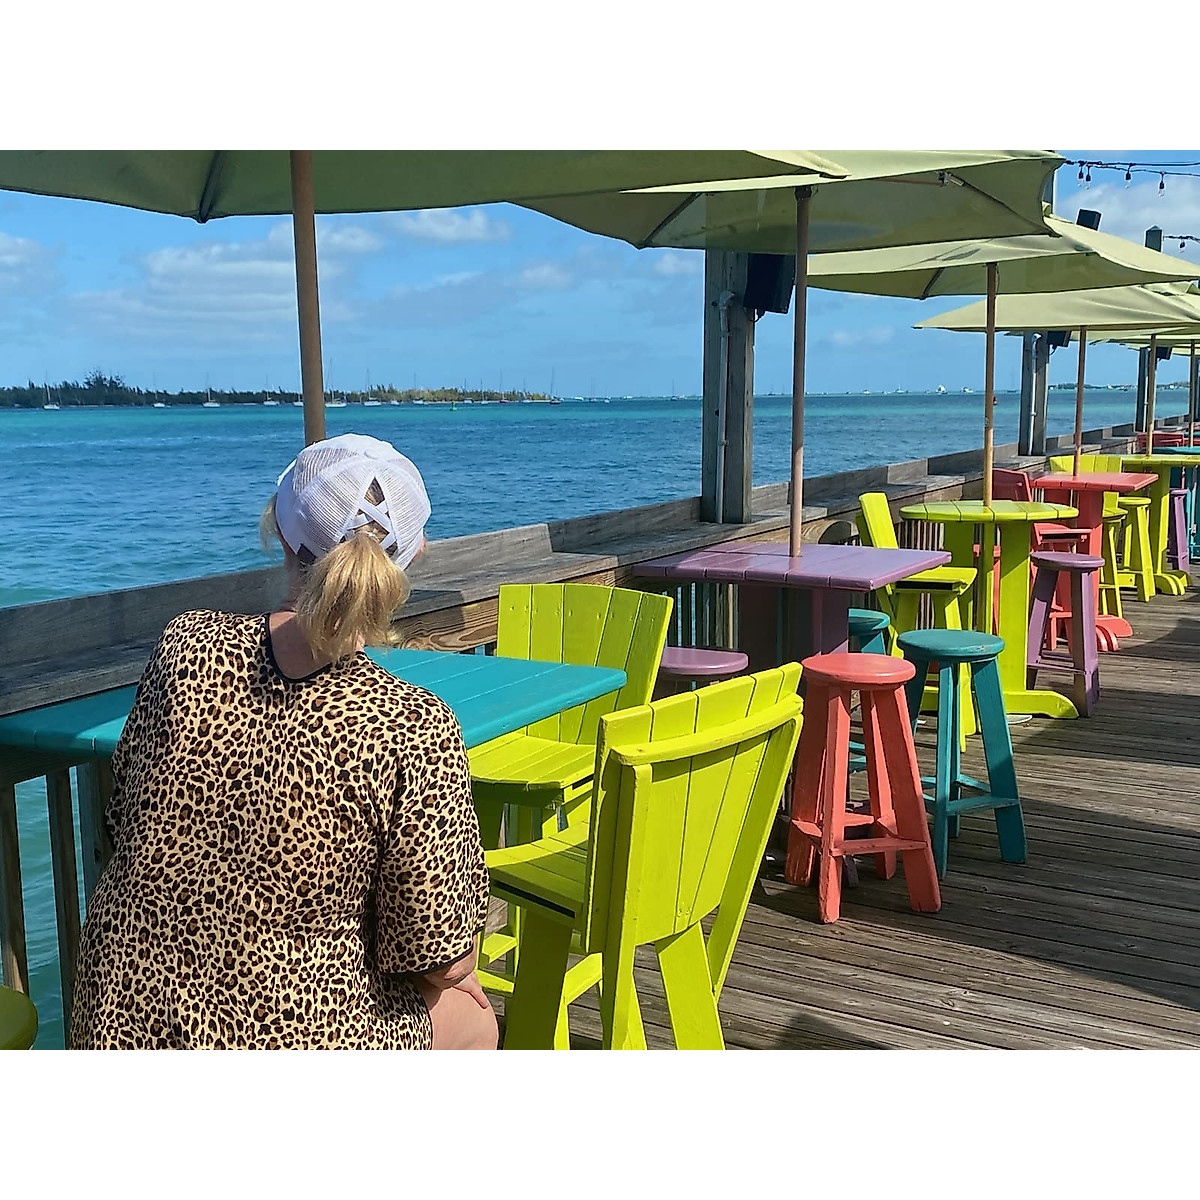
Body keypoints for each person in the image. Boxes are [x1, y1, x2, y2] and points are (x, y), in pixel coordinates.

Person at [71, 434, 497, 1050]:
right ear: (411, 557)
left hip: (118, 1019)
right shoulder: (411, 725)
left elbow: (122, 821)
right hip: (296, 1034)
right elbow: (439, 948)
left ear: (278, 528)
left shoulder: (185, 647)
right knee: (472, 1015)